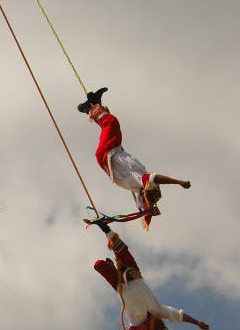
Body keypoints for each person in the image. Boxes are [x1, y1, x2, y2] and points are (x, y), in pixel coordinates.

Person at [92, 222, 209, 330]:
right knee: (121, 250)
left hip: (120, 285)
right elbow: (180, 316)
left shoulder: (139, 328)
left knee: (98, 265)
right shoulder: (159, 311)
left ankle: (111, 266)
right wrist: (198, 322)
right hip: (133, 273)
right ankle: (105, 228)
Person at [78, 88, 190, 228]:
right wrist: (148, 215)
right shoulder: (138, 188)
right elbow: (147, 206)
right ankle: (91, 106)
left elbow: (154, 179)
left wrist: (178, 182)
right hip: (112, 153)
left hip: (109, 153)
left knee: (111, 122)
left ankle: (91, 105)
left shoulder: (140, 182)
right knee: (109, 125)